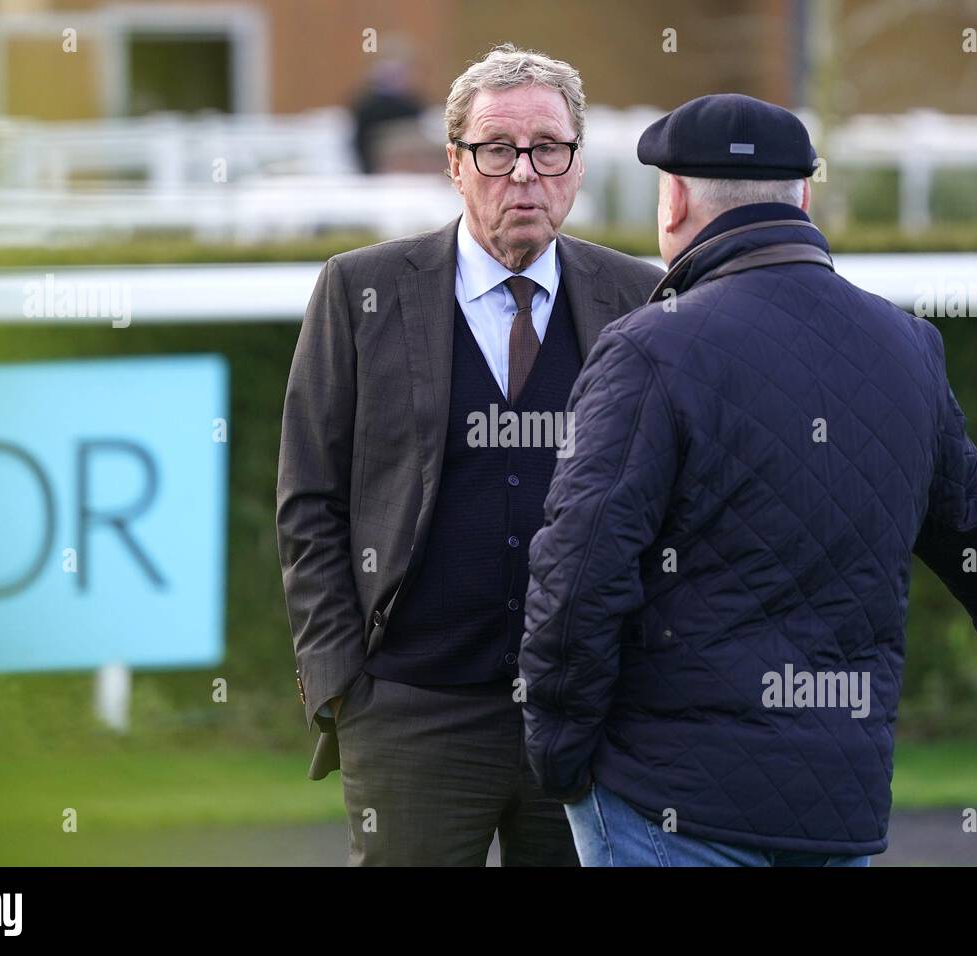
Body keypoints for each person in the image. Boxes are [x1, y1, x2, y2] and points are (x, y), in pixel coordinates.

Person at [519, 93, 977, 867]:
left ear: (672, 199)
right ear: (804, 197)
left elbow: (578, 569)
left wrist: (558, 754)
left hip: (664, 803)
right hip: (836, 806)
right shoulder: (906, 344)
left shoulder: (649, 348)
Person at [276, 43, 663, 866]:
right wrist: (342, 683)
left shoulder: (639, 296)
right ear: (455, 163)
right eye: (496, 149)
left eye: (547, 148)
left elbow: (679, 498)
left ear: (576, 165)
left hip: (586, 716)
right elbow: (309, 500)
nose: (523, 172)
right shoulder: (360, 291)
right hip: (410, 712)